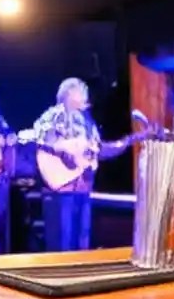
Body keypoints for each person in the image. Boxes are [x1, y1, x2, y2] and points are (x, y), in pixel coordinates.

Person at [31, 77, 137, 251]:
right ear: (69, 93)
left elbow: (98, 150)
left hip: (83, 188)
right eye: (81, 91)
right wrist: (65, 150)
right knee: (62, 245)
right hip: (61, 191)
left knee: (82, 244)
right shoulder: (53, 115)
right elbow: (38, 138)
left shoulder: (87, 122)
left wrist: (128, 141)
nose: (86, 96)